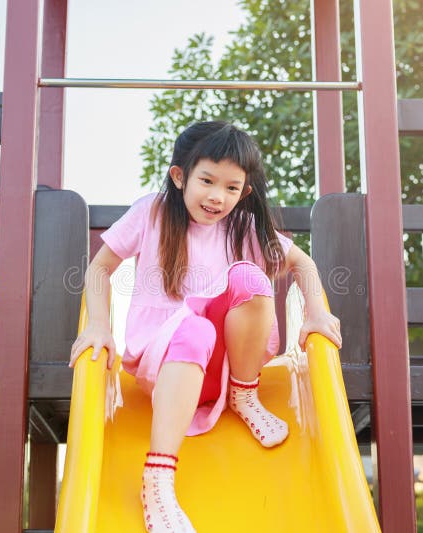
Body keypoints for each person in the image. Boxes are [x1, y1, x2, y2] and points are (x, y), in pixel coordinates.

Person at [69, 121, 342, 532]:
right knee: (194, 329)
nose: (217, 197)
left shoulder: (243, 229)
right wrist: (97, 328)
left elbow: (301, 262)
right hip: (164, 370)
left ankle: (244, 393)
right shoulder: (152, 213)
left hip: (224, 370)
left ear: (245, 192)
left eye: (232, 188)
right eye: (207, 181)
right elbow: (100, 268)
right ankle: (158, 478)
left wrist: (318, 314)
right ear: (180, 176)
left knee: (251, 278)